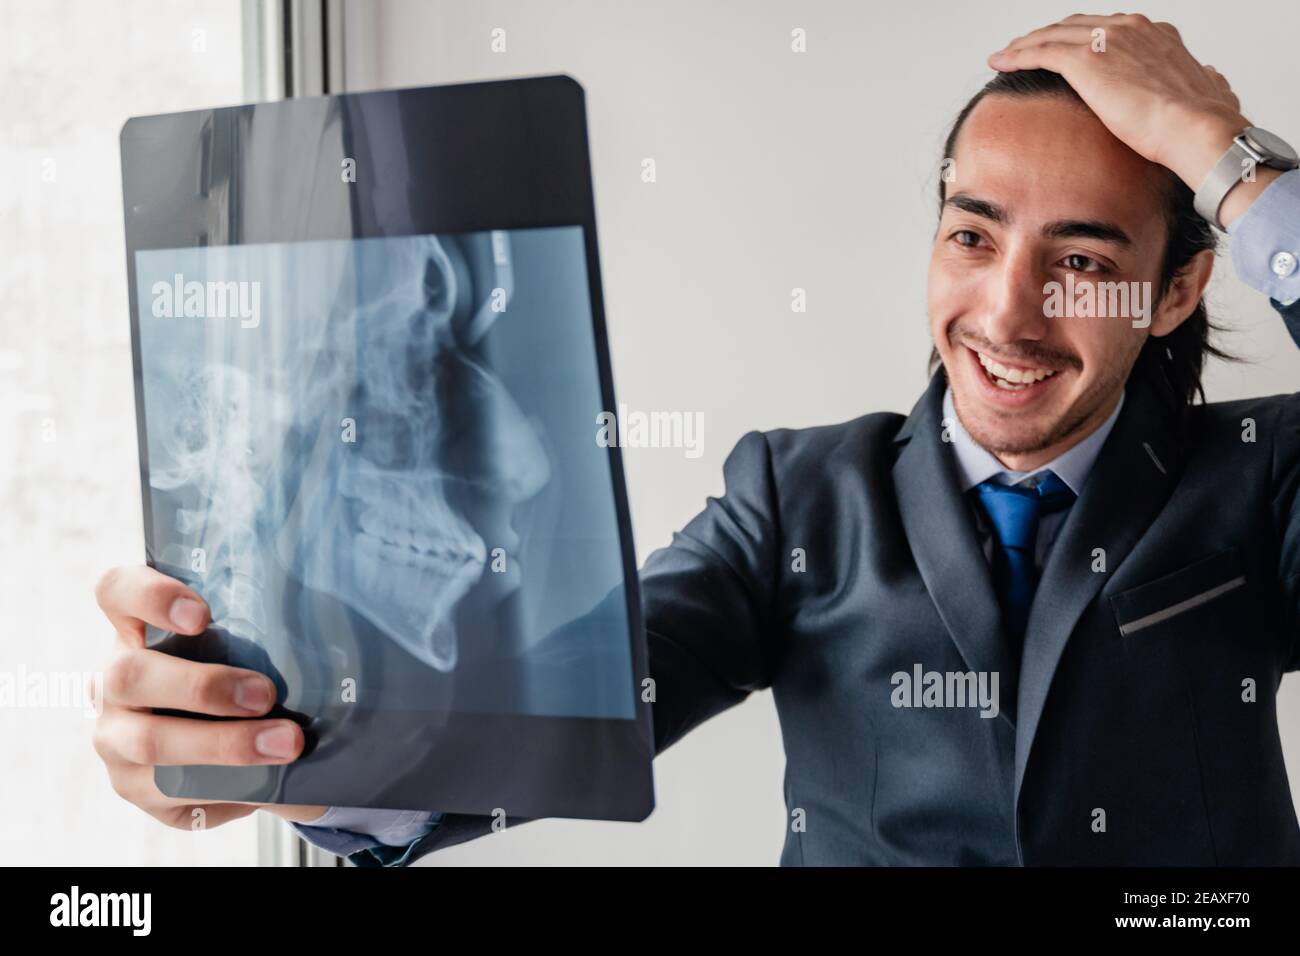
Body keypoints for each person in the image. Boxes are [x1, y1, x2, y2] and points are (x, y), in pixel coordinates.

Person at [92, 13, 1300, 865]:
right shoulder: (797, 496)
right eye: (973, 237)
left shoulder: (1257, 475)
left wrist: (1225, 157)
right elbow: (563, 714)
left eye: (1082, 261)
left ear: (1179, 290)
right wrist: (279, 745)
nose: (1005, 313)